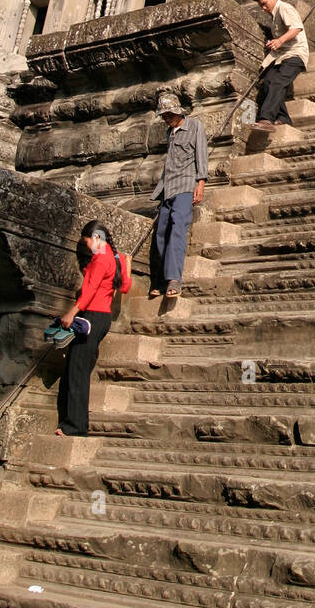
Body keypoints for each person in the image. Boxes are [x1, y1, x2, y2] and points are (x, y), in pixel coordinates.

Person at [55, 221, 131, 437]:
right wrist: (128, 266)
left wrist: (71, 312)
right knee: (75, 367)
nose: (87, 245)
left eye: (87, 241)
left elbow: (89, 290)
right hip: (103, 318)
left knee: (77, 372)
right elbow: (125, 286)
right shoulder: (116, 258)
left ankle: (75, 426)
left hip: (91, 316)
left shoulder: (100, 258)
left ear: (96, 237)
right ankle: (71, 422)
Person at [149, 91, 208, 299]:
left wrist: (201, 183)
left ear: (177, 112)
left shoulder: (194, 127)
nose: (167, 119)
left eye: (169, 115)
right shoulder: (170, 133)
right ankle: (161, 280)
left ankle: (174, 278)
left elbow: (201, 154)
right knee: (161, 233)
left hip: (185, 185)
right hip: (168, 189)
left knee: (177, 229)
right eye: (164, 116)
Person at [254, 0, 310, 127]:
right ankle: (283, 118)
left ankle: (266, 118)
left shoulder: (284, 8)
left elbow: (297, 27)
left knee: (278, 83)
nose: (263, 9)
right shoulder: (274, 17)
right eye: (261, 6)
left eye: (264, 4)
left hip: (295, 55)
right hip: (282, 57)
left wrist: (279, 40)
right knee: (267, 83)